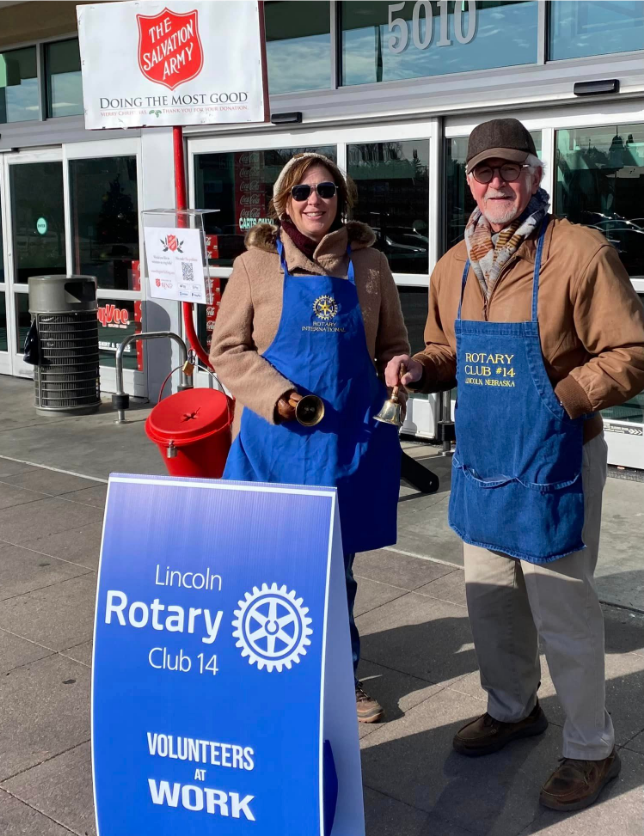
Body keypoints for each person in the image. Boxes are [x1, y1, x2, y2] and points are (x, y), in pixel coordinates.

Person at [386, 118, 644, 811]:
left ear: (534, 177)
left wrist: (558, 400)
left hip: (557, 453)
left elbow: (628, 353)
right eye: (481, 172)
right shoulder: (452, 264)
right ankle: (511, 708)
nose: (494, 182)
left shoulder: (578, 252)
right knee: (489, 598)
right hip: (482, 457)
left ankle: (590, 746)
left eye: (509, 170)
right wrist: (418, 364)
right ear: (468, 182)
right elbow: (447, 349)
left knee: (561, 606)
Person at [210, 153, 410, 723]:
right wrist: (280, 397)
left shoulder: (371, 265)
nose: (314, 200)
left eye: (325, 190)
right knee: (267, 562)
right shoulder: (254, 267)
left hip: (344, 445)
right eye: (301, 192)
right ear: (283, 203)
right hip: (273, 444)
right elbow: (227, 350)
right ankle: (264, 671)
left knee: (335, 568)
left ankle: (340, 678)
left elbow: (392, 342)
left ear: (339, 198)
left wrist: (399, 366)